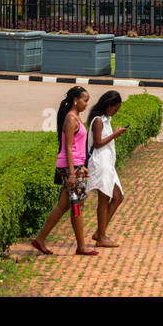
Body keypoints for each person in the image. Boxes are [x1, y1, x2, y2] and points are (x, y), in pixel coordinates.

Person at [32, 85, 97, 256]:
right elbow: (68, 148)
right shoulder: (71, 119)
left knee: (63, 205)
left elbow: (76, 147)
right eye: (85, 100)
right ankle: (81, 246)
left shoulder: (75, 117)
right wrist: (73, 173)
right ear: (76, 100)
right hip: (70, 166)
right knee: (77, 205)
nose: (86, 104)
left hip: (75, 165)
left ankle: (40, 239)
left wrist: (81, 166)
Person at [86, 90, 128, 248]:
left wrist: (114, 132)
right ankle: (101, 237)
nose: (115, 112)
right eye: (115, 109)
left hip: (108, 164)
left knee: (118, 197)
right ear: (108, 105)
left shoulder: (106, 119)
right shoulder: (98, 121)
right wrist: (115, 135)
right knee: (103, 201)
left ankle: (100, 231)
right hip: (100, 163)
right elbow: (97, 143)